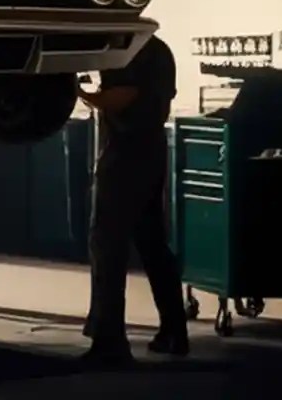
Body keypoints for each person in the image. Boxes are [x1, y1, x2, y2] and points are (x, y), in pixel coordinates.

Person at [77, 33, 188, 366]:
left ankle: (109, 341)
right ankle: (174, 332)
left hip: (125, 156)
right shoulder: (159, 49)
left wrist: (81, 93)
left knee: (107, 247)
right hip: (151, 153)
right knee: (154, 245)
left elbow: (120, 97)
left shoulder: (133, 52)